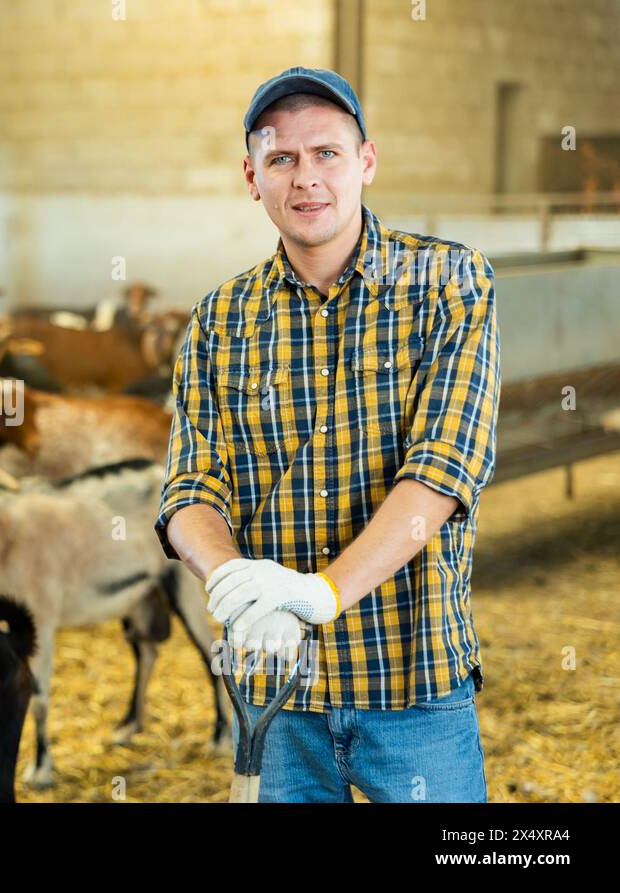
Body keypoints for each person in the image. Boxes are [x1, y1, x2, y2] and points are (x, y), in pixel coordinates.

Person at [156, 66, 500, 802]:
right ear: (252, 175)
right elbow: (190, 486)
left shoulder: (449, 282)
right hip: (277, 694)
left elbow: (443, 467)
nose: (305, 178)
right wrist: (228, 580)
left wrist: (322, 591)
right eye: (282, 158)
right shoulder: (221, 318)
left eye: (327, 154)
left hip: (412, 682)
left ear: (367, 162)